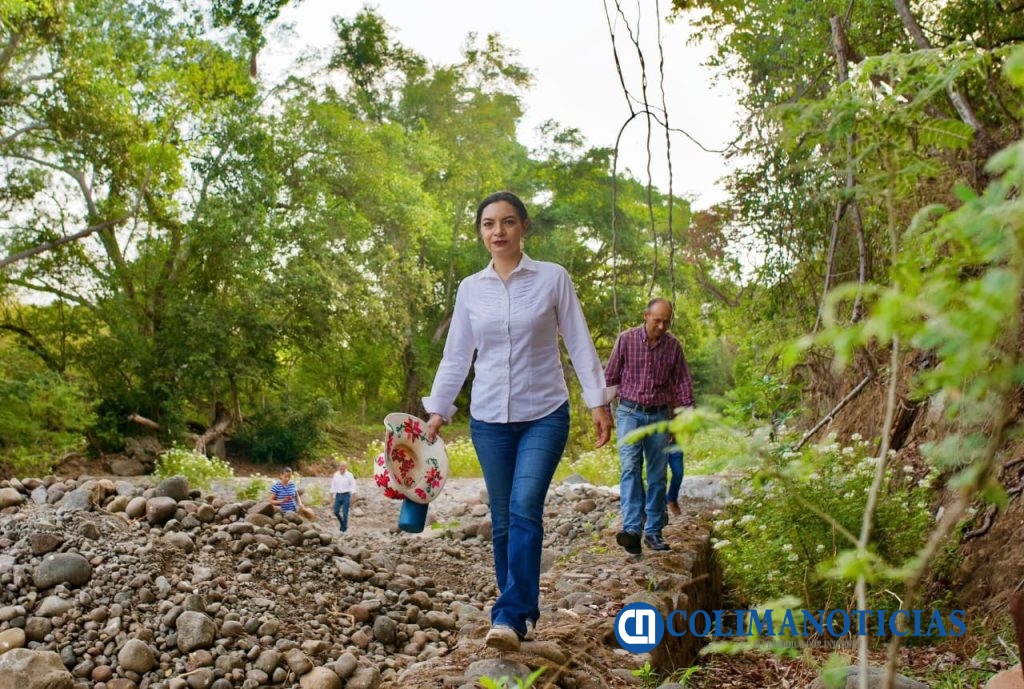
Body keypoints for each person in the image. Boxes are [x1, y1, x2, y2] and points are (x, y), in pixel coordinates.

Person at [423, 191, 614, 652]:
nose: (498, 231)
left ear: (524, 228)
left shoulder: (553, 278)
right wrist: (438, 408)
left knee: (525, 507)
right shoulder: (471, 288)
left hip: (544, 414)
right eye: (489, 224)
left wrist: (597, 401)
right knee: (504, 519)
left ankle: (507, 615)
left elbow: (579, 340)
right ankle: (521, 612)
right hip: (489, 420)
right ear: (481, 232)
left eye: (508, 222)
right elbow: (457, 355)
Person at [605, 297, 694, 555]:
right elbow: (610, 376)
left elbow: (683, 385)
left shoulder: (674, 347)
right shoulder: (626, 339)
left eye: (667, 321)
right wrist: (602, 411)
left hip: (659, 416)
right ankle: (632, 529)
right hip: (629, 413)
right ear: (646, 316)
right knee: (630, 468)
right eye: (658, 320)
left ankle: (653, 531)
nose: (663, 326)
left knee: (657, 475)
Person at [330, 460, 358, 532]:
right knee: (336, 511)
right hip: (338, 495)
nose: (341, 467)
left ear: (346, 467)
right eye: (340, 466)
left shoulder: (349, 475)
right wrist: (331, 498)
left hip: (346, 495)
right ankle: (343, 523)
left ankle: (343, 529)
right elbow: (333, 486)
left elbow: (353, 486)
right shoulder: (336, 475)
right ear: (339, 467)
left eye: (343, 466)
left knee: (345, 513)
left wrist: (354, 496)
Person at [666, 450, 683, 517]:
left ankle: (671, 498)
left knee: (678, 473)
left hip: (674, 444)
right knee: (659, 477)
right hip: (657, 443)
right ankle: (660, 506)